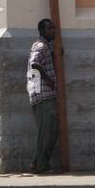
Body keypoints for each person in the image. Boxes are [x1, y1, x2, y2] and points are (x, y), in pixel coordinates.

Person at [27, 18, 59, 174]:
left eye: (53, 28)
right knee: (47, 131)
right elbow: (35, 64)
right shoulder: (41, 46)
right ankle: (41, 165)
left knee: (49, 131)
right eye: (50, 29)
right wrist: (49, 81)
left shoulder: (45, 46)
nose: (53, 31)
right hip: (44, 94)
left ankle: (36, 162)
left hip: (42, 93)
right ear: (42, 31)